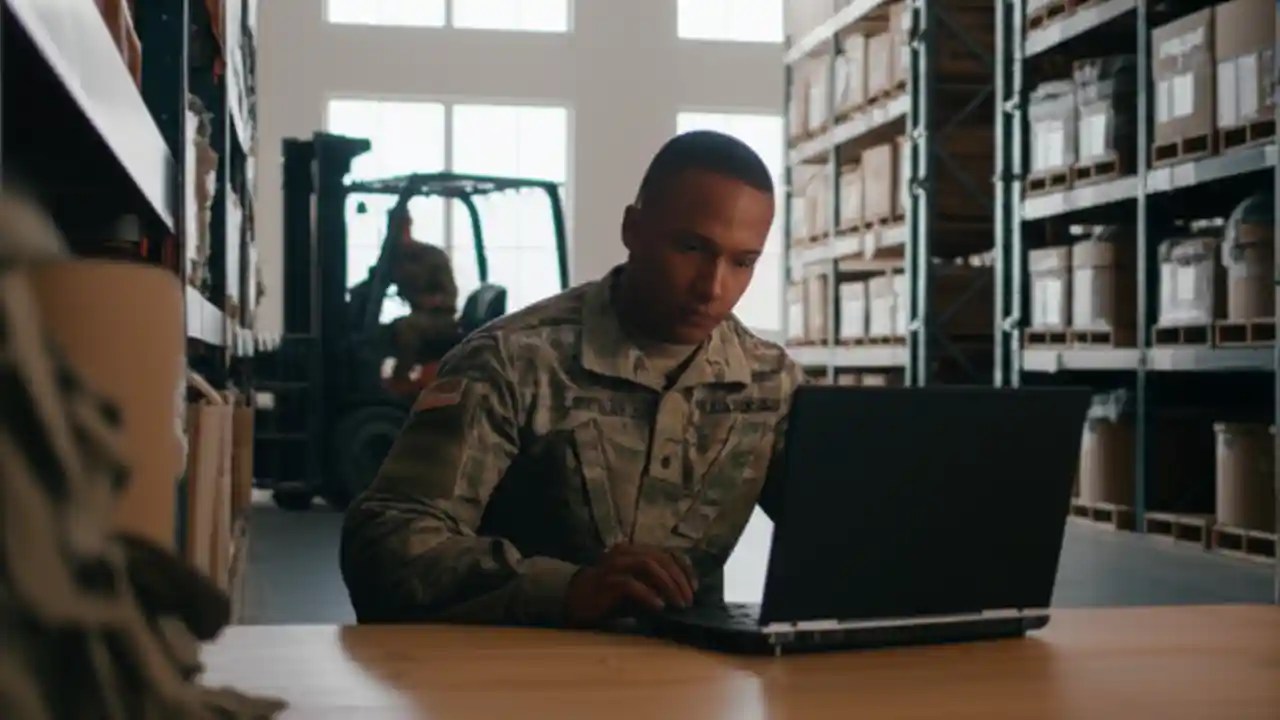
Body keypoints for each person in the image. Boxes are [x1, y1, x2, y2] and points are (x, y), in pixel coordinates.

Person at [339, 130, 805, 628]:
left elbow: (849, 540)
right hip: (523, 681)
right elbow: (385, 546)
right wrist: (567, 589)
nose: (713, 287)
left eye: (743, 262)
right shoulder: (513, 363)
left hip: (692, 687)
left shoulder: (771, 385)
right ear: (633, 229)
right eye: (691, 248)